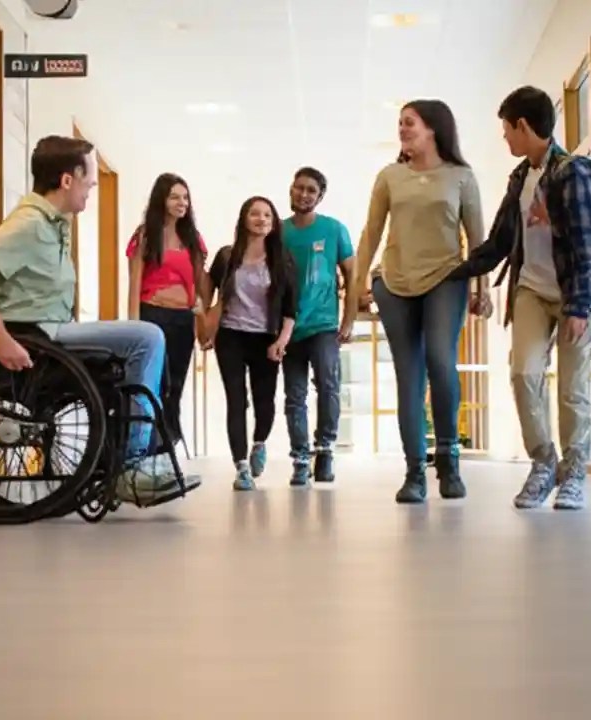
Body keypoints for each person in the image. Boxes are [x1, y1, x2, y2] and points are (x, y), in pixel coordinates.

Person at [0, 135, 199, 504]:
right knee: (147, 337)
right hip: (38, 334)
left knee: (137, 346)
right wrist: (1, 338)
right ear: (68, 180)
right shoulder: (31, 223)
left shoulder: (53, 224)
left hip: (50, 331)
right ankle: (131, 464)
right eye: (89, 181)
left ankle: (123, 453)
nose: (92, 188)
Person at [448, 86, 591, 511]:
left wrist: (579, 306)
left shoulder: (574, 172)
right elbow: (500, 241)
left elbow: (589, 245)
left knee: (572, 389)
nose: (505, 139)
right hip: (531, 289)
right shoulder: (520, 177)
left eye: (507, 130)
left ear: (523, 125)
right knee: (523, 374)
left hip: (573, 293)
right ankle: (543, 463)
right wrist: (454, 272)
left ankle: (573, 474)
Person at [346, 99, 490, 505]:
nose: (402, 130)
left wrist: (483, 289)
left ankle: (449, 459)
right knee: (409, 375)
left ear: (433, 128)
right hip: (394, 283)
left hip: (446, 276)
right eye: (400, 124)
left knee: (441, 362)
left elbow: (477, 240)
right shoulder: (390, 176)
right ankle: (414, 473)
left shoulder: (461, 176)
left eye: (409, 123)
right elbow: (371, 232)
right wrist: (359, 286)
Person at [202, 196, 297, 491]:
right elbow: (206, 295)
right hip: (231, 336)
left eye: (267, 214)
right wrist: (203, 327)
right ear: (244, 218)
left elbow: (291, 309)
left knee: (265, 403)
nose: (261, 219)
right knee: (235, 399)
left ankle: (259, 443)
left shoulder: (282, 259)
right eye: (254, 214)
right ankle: (241, 467)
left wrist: (281, 340)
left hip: (266, 338)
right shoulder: (226, 257)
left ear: (274, 222)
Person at [280, 167, 355, 486]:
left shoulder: (334, 230)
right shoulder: (279, 232)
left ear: (320, 196)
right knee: (294, 395)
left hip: (324, 325)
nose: (304, 194)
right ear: (291, 190)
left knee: (328, 385)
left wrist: (348, 319)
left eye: (311, 190)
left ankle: (325, 450)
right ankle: (300, 459)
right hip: (288, 326)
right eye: (299, 188)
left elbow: (353, 275)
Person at [126, 173, 207, 448]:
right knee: (154, 384)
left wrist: (202, 320)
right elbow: (134, 281)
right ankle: (148, 445)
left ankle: (168, 444)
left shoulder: (192, 238)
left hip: (183, 319)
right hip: (153, 316)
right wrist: (134, 325)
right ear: (161, 199)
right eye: (174, 197)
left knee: (176, 385)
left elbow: (199, 284)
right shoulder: (145, 235)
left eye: (185, 197)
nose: (181, 203)